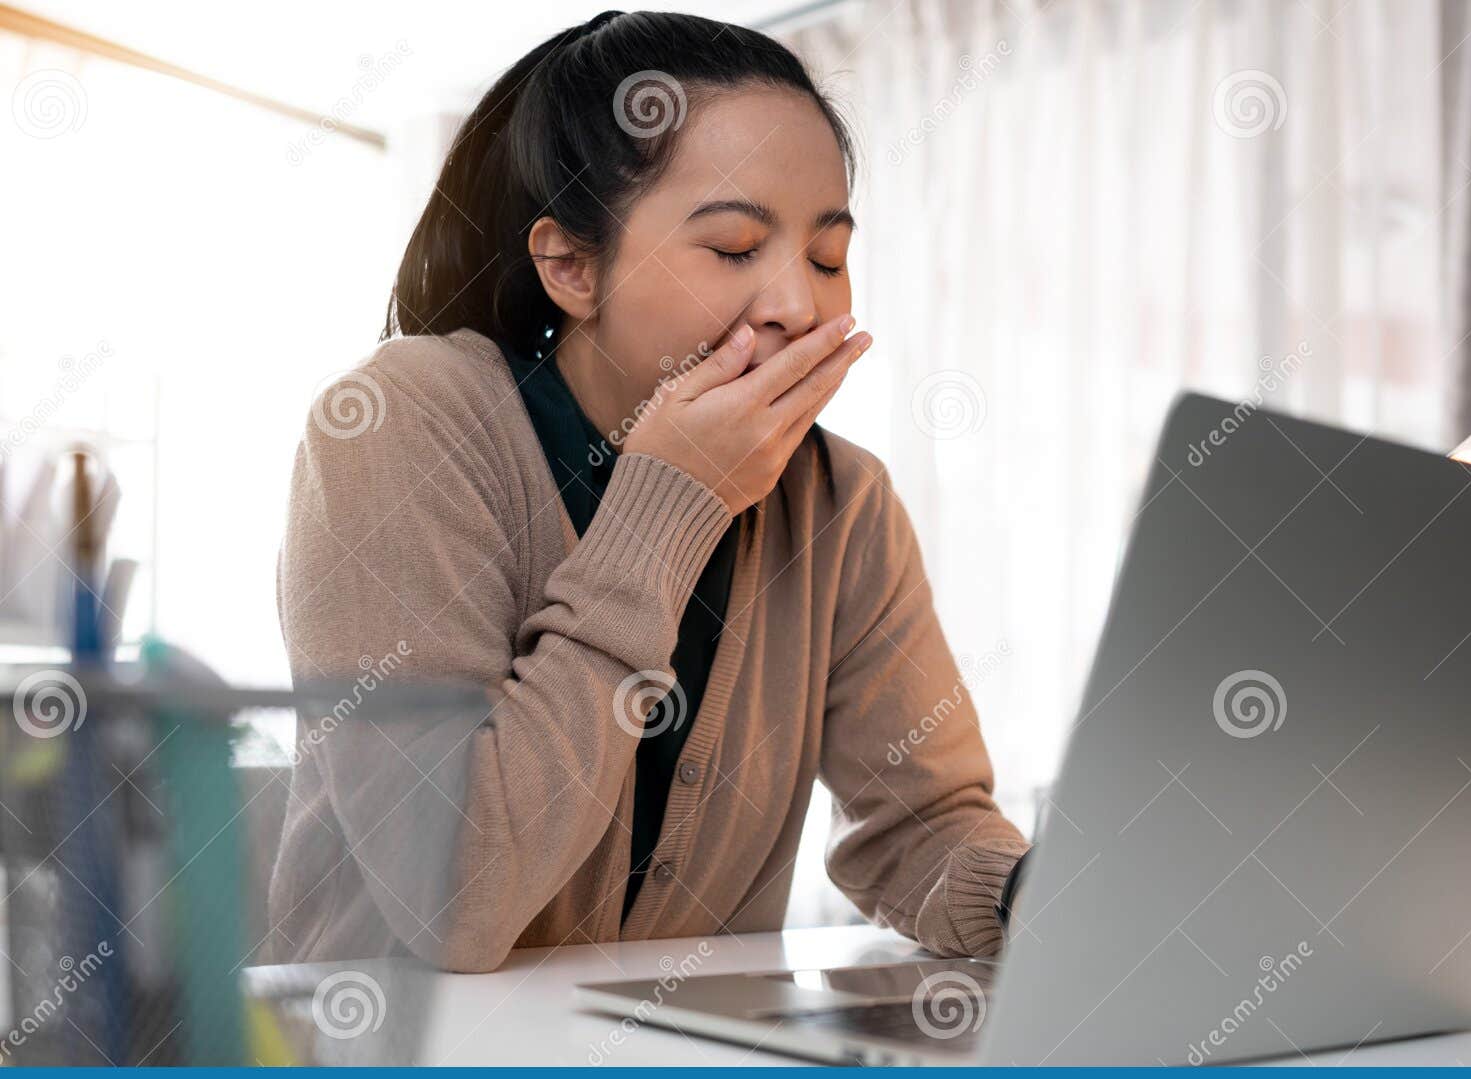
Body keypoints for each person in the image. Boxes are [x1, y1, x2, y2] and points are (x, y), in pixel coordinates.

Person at [269, 9, 1030, 972]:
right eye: (734, 247)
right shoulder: (399, 423)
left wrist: (1031, 891)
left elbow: (922, 827)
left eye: (828, 257)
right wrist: (674, 501)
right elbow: (455, 899)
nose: (800, 304)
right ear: (572, 267)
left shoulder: (843, 501)